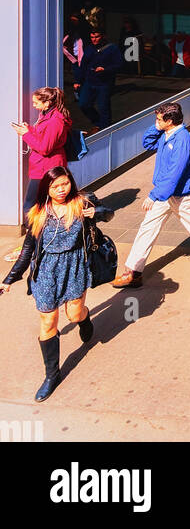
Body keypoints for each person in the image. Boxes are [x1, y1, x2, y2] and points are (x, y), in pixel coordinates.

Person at [0, 167, 96, 401]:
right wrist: (9, 278)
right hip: (46, 271)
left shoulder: (82, 203)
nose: (61, 190)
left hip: (73, 266)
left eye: (65, 184)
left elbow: (108, 213)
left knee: (73, 315)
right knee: (48, 321)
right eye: (55, 186)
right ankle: (52, 375)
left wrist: (98, 212)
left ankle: (84, 318)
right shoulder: (38, 213)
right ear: (47, 189)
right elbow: (27, 250)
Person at [111, 102, 190, 288]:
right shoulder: (167, 134)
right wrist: (156, 127)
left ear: (170, 121)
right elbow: (147, 142)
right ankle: (133, 272)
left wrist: (154, 195)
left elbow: (174, 173)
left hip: (179, 194)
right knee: (148, 228)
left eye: (159, 120)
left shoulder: (182, 140)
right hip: (165, 193)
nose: (156, 122)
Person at [11, 88, 70, 212]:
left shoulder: (55, 120)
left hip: (47, 167)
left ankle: (34, 230)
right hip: (44, 166)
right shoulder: (48, 115)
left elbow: (45, 148)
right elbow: (43, 137)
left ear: (47, 103)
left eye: (36, 103)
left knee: (30, 205)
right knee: (41, 204)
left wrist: (25, 134)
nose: (34, 105)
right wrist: (30, 130)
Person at [76, 27, 123, 131]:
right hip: (90, 81)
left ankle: (105, 128)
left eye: (97, 37)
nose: (94, 39)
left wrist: (105, 69)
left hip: (104, 83)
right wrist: (78, 81)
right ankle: (98, 122)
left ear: (103, 36)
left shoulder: (112, 48)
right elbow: (83, 65)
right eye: (92, 37)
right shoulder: (89, 48)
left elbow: (119, 64)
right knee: (83, 104)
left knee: (103, 107)